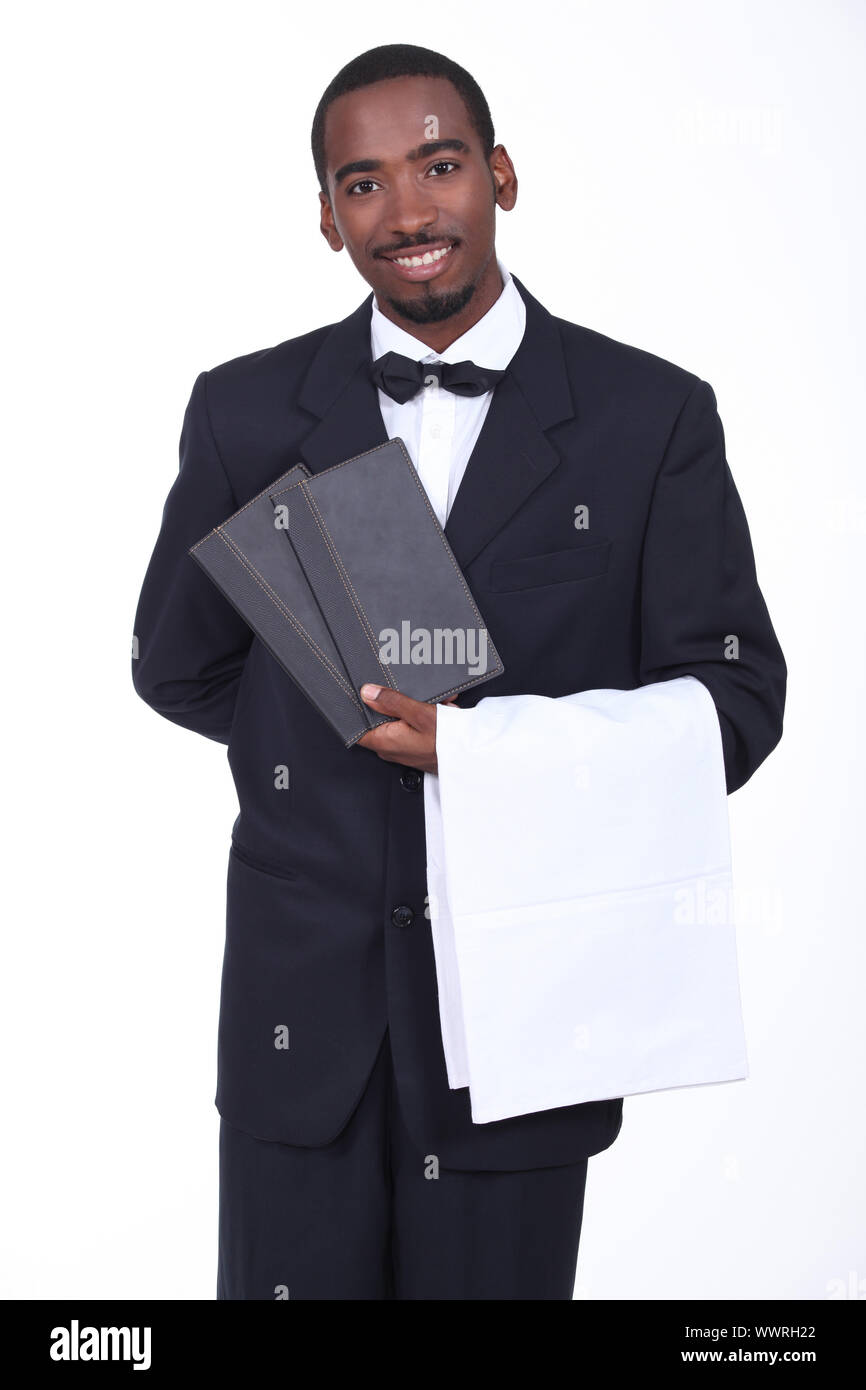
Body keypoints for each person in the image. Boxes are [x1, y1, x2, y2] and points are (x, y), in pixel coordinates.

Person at [131, 42, 786, 1300]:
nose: (408, 211)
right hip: (297, 1020)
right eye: (362, 183)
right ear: (326, 219)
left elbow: (735, 706)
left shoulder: (649, 418)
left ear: (499, 174)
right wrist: (327, 726)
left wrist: (484, 761)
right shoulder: (247, 411)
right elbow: (178, 666)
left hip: (520, 1020)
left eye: (437, 166)